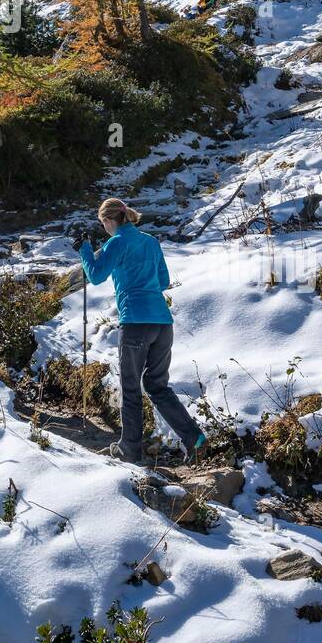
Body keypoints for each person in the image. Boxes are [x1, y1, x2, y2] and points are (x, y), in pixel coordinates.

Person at [79, 197, 205, 466]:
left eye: (103, 224)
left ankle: (130, 450)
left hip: (135, 323)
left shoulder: (117, 242)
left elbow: (96, 275)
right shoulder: (149, 241)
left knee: (131, 388)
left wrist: (84, 250)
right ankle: (194, 439)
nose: (105, 230)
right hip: (162, 322)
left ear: (110, 220)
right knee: (157, 386)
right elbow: (163, 281)